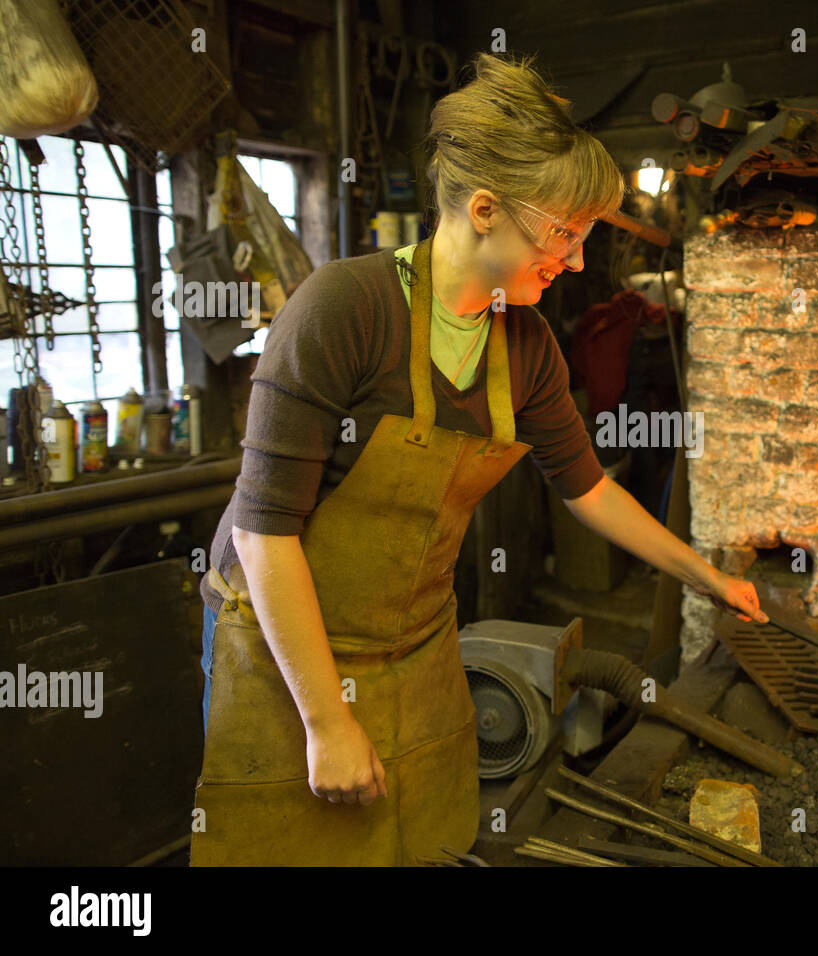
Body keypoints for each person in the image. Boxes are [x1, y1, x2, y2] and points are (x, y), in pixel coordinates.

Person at [191, 52, 767, 866]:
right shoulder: (343, 311)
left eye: (583, 237)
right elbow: (265, 535)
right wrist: (326, 721)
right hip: (285, 649)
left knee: (418, 840)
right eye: (564, 234)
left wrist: (704, 574)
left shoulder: (525, 344)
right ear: (487, 209)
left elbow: (589, 488)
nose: (573, 260)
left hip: (416, 642)